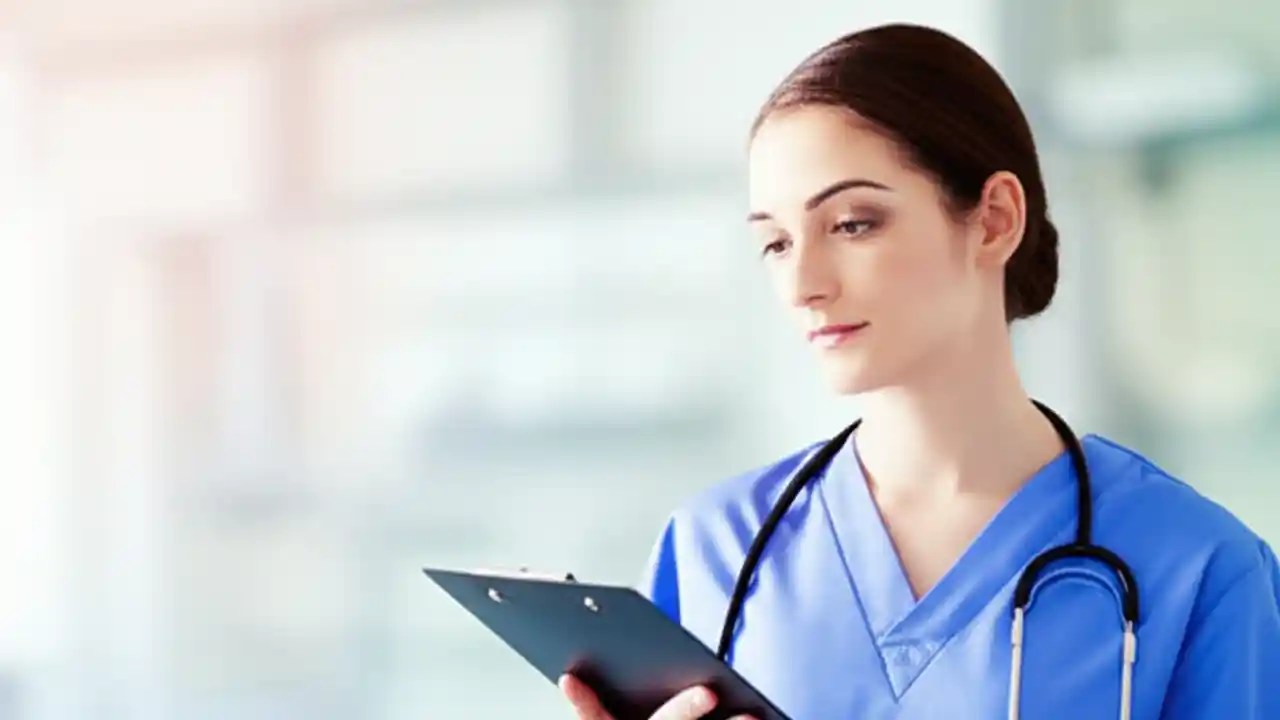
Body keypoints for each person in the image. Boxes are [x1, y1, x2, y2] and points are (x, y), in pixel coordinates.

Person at [560, 22, 1280, 720]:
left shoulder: (1199, 569)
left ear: (995, 219)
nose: (802, 283)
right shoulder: (713, 548)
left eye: (851, 224)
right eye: (776, 243)